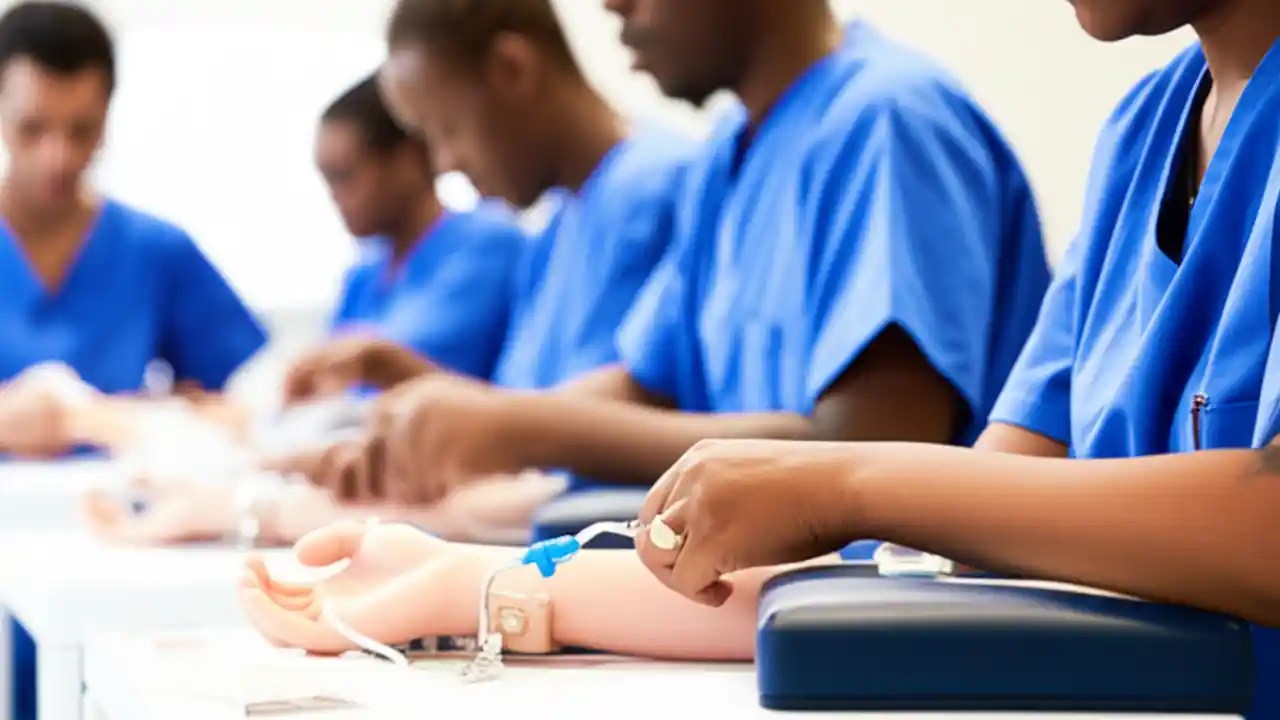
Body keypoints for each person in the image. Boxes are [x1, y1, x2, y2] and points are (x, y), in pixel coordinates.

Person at [240, 1, 1280, 716]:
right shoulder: (1142, 132)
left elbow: (904, 481)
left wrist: (849, 483)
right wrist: (474, 584)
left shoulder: (886, 121)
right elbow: (956, 535)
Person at [319, 0, 1050, 503]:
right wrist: (467, 420)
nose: (611, 5)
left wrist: (521, 426)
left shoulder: (887, 121)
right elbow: (647, 378)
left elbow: (872, 442)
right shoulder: (725, 157)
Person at [292, 0, 700, 495]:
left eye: (447, 129)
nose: (443, 164)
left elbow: (599, 428)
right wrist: (406, 385)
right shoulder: (554, 229)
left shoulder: (661, 188)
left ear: (512, 70)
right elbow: (525, 412)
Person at [0, 1, 265, 459]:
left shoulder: (155, 251)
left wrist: (145, 417)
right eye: (33, 128)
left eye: (82, 130)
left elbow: (254, 397)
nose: (57, 157)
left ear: (108, 110)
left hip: (118, 511)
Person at [286, 73, 526, 395]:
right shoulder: (364, 275)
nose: (335, 199)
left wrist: (376, 363)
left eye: (345, 177)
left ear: (409, 159)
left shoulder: (490, 246)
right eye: (327, 181)